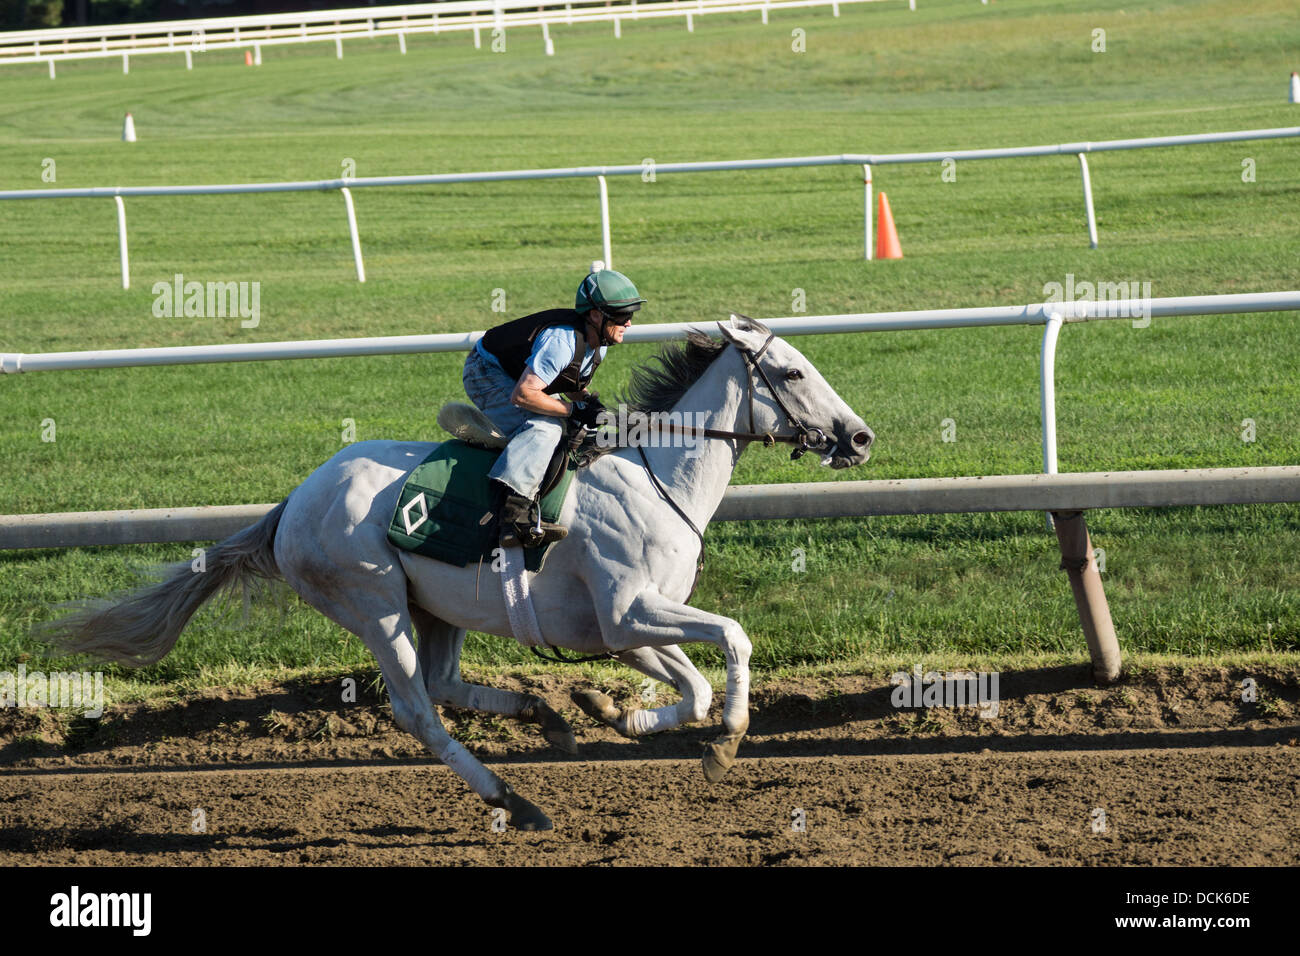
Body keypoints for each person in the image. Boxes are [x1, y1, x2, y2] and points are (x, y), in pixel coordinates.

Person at [463, 268, 645, 547]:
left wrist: (586, 402)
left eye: (631, 315)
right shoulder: (561, 341)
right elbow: (523, 395)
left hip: (517, 376)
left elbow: (567, 380)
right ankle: (513, 512)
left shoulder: (600, 342)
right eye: (622, 316)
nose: (629, 323)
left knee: (574, 426)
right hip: (484, 372)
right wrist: (573, 411)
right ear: (596, 315)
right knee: (546, 428)